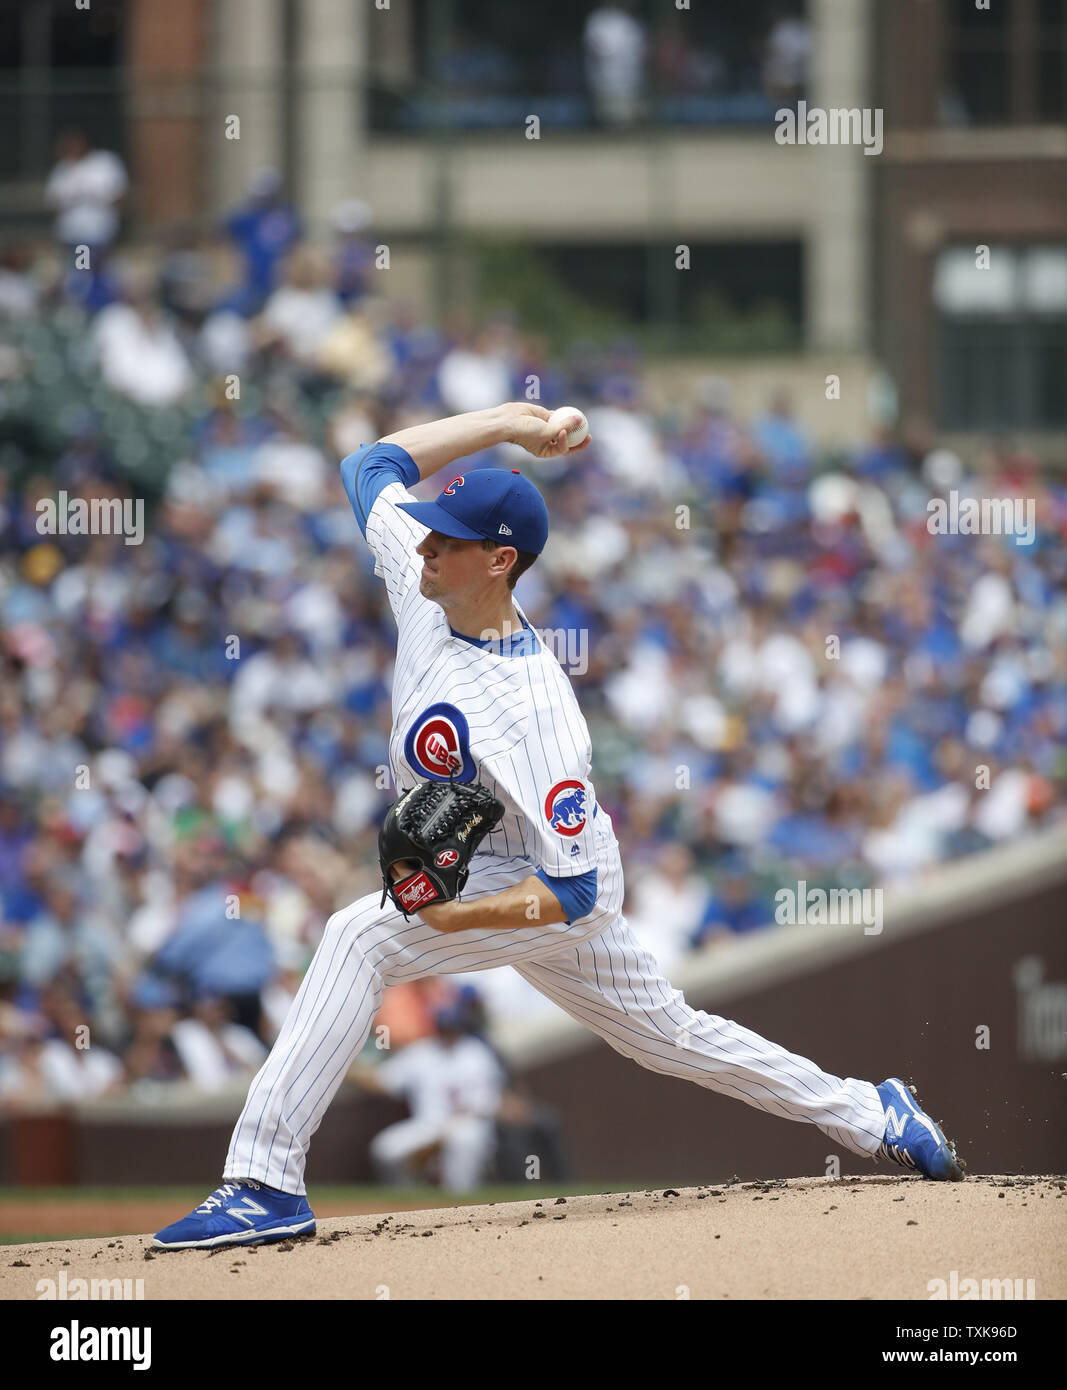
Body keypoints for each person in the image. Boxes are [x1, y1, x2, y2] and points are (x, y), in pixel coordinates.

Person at [153, 402, 964, 1250]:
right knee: (669, 1038)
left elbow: (573, 890)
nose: (422, 547)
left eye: (445, 541)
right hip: (501, 864)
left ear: (498, 561)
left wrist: (452, 916)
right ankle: (872, 1112)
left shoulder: (534, 713)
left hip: (549, 881)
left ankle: (263, 1183)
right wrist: (506, 423)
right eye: (426, 535)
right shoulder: (430, 582)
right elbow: (370, 467)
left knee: (359, 938)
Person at [350, 1005, 505, 1192]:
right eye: (444, 1029)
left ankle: (459, 1200)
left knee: (466, 1142)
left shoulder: (477, 1053)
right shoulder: (421, 1052)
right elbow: (383, 1080)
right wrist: (347, 1071)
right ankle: (405, 1199)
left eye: (452, 1029)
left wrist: (441, 1140)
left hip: (466, 1122)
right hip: (427, 1125)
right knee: (385, 1150)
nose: (448, 1033)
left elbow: (488, 1101)